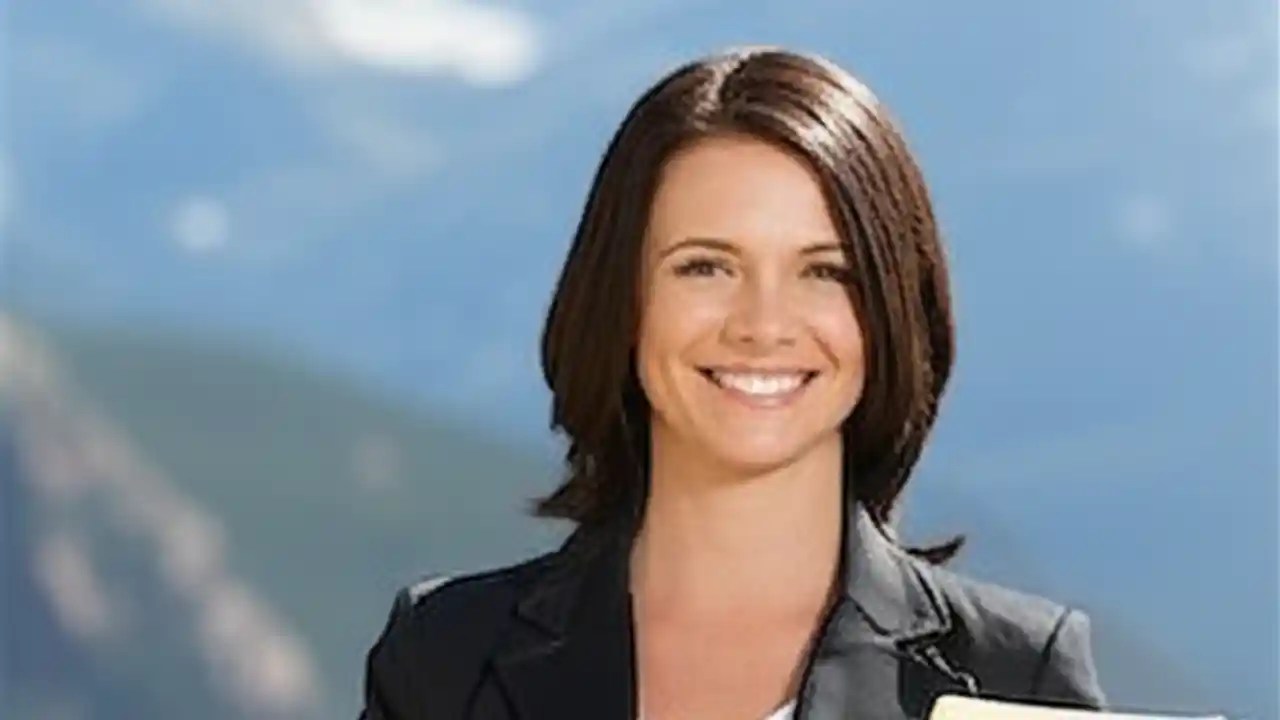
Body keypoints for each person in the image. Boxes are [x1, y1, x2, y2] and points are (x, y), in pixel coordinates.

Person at [359, 46, 1106, 720]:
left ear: (889, 313)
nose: (763, 323)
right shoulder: (445, 659)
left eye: (825, 272)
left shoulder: (1015, 674)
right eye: (706, 266)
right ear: (622, 300)